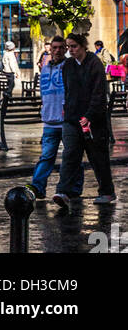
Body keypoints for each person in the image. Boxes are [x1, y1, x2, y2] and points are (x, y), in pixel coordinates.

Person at [54, 32, 116, 207]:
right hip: (72, 119)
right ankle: (63, 191)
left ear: (82, 46)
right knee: (70, 155)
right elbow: (68, 91)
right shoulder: (68, 65)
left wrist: (89, 115)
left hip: (93, 120)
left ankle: (107, 191)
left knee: (98, 157)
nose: (71, 50)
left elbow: (98, 94)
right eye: (69, 47)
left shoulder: (94, 63)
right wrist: (67, 111)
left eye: (74, 46)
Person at [29, 35, 83, 202]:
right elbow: (44, 93)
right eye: (55, 48)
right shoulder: (45, 69)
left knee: (72, 156)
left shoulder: (70, 67)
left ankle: (74, 188)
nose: (58, 50)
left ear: (65, 49)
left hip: (67, 121)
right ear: (50, 49)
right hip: (50, 121)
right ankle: (38, 186)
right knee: (46, 156)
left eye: (61, 47)